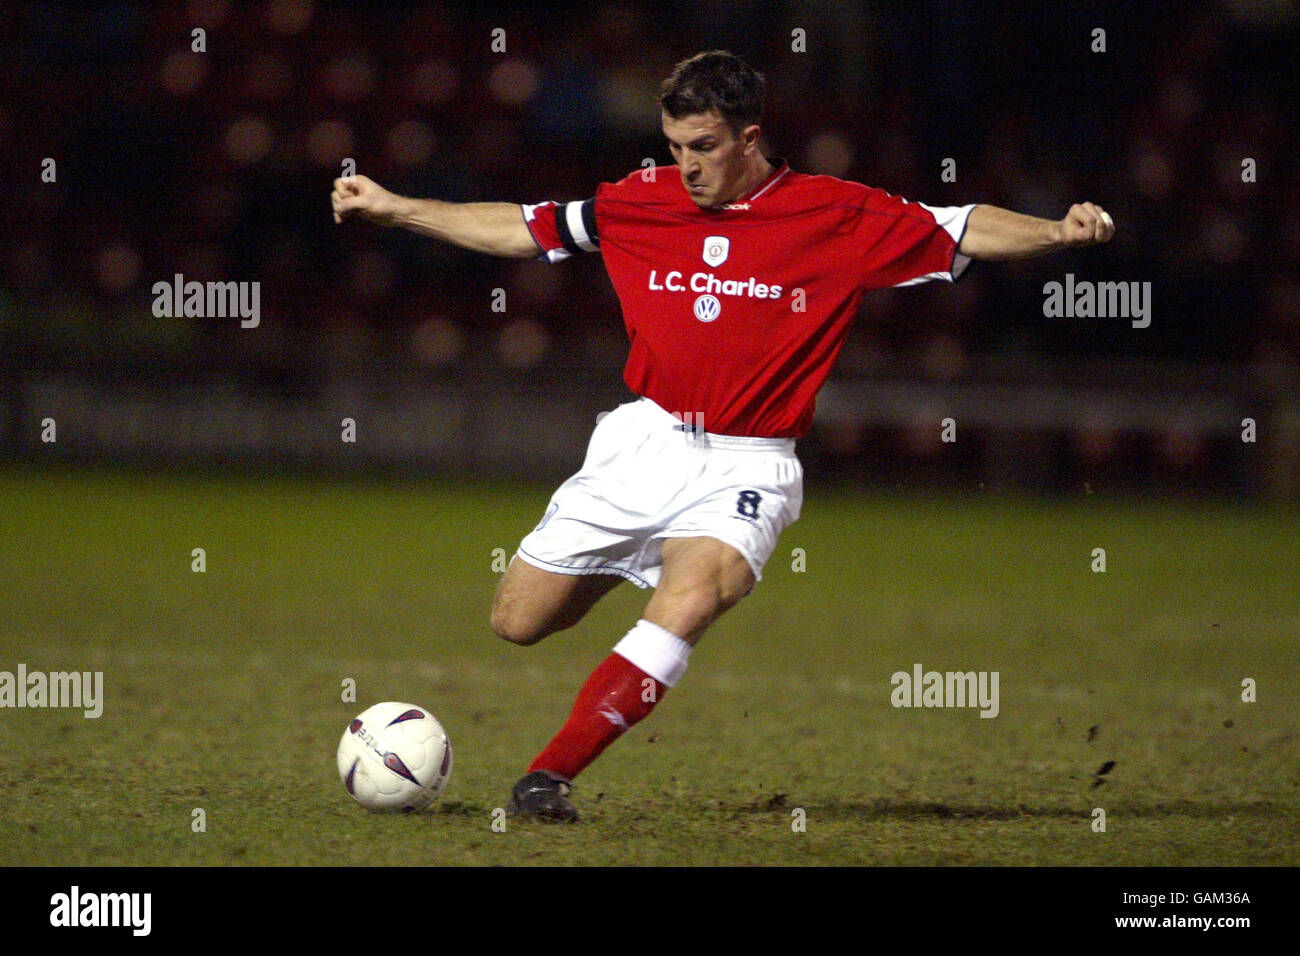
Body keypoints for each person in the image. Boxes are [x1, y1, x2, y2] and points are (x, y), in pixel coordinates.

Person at [331, 50, 1115, 821]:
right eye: (675, 147)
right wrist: (397, 208)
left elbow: (964, 227)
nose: (687, 165)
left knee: (694, 596)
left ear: (749, 137)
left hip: (747, 465)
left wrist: (1057, 231)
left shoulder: (833, 214)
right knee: (518, 621)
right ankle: (638, 558)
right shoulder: (641, 201)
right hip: (644, 442)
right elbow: (521, 228)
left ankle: (547, 778)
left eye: (703, 146)